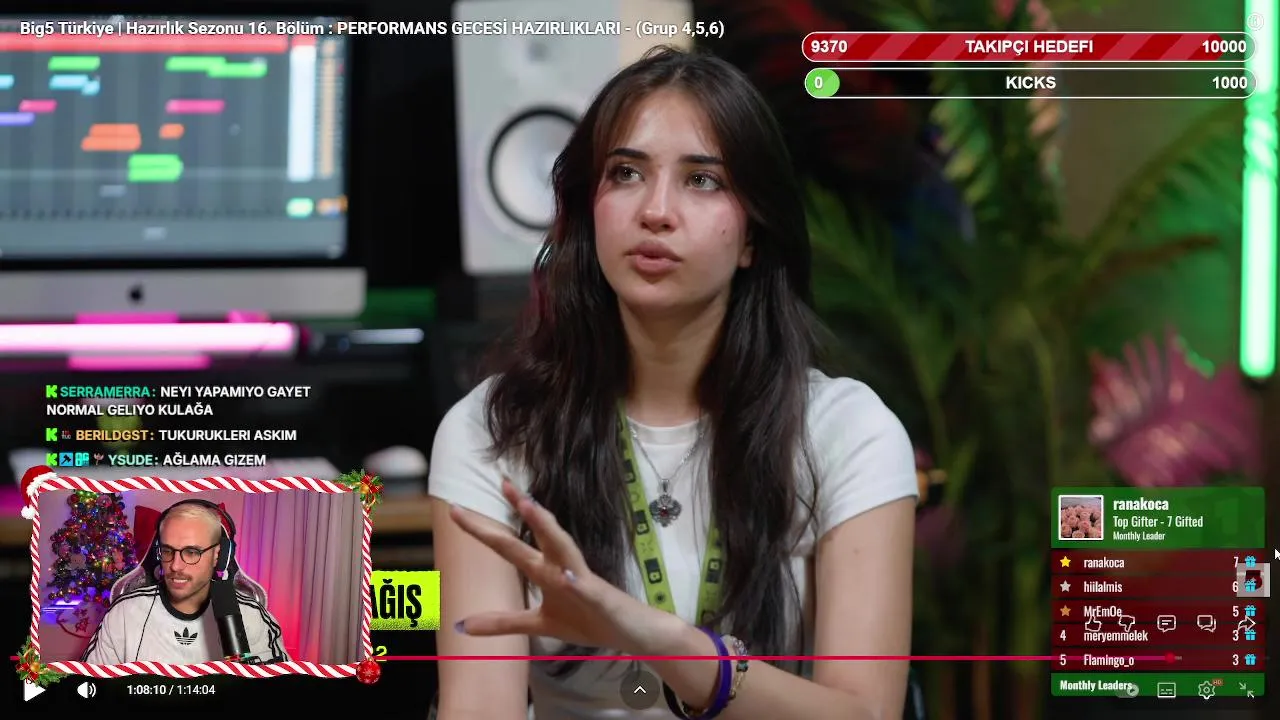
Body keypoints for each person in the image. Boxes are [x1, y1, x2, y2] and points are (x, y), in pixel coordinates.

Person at [429, 46, 918, 719]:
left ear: (752, 236)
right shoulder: (493, 430)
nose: (656, 211)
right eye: (626, 173)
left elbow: (866, 714)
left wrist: (664, 644)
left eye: (702, 180)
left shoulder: (848, 433)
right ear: (590, 209)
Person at [81, 500, 288, 664]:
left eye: (192, 552)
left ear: (219, 556)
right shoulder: (123, 614)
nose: (175, 566)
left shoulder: (252, 617)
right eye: (168, 551)